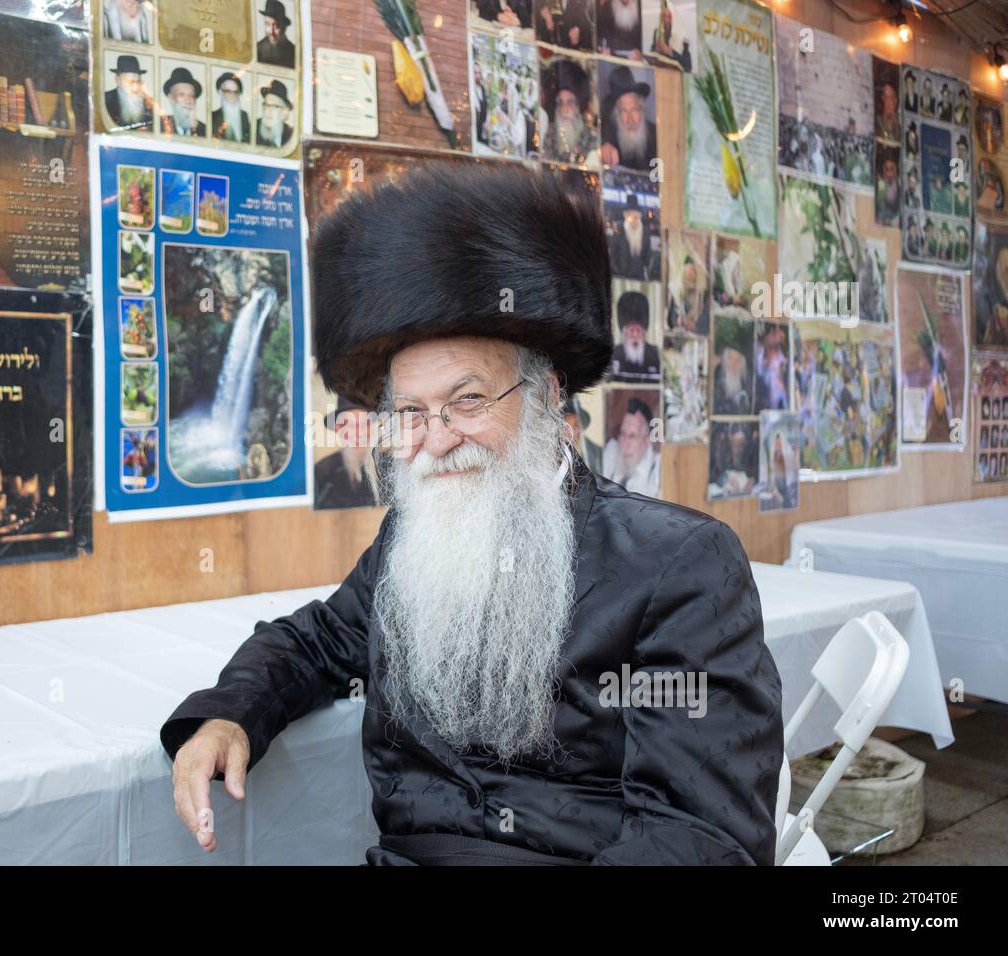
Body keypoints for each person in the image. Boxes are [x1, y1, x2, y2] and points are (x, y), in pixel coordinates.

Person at [161, 162, 782, 865]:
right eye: (412, 414)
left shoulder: (681, 565)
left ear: (546, 397)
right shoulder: (415, 538)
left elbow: (699, 837)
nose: (437, 438)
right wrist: (227, 715)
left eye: (467, 401)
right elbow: (316, 641)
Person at [314, 399, 380, 509]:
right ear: (339, 428)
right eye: (352, 426)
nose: (360, 433)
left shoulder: (387, 467)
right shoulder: (322, 473)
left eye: (365, 424)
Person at [599, 66, 656, 171]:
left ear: (641, 109)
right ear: (617, 114)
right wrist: (604, 144)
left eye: (634, 110)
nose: (630, 120)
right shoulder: (610, 133)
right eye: (624, 111)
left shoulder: (656, 136)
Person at [600, 397, 659, 496]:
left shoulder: (657, 470)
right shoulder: (611, 452)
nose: (625, 444)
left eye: (632, 436)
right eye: (623, 434)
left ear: (647, 441)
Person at [543, 60, 597, 166]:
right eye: (560, 102)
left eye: (570, 102)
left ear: (578, 106)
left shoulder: (592, 139)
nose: (564, 110)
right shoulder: (550, 132)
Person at [609, 290, 660, 381]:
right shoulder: (614, 354)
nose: (635, 334)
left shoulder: (655, 354)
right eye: (632, 330)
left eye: (638, 330)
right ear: (625, 333)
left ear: (643, 333)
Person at [608, 194, 657, 279]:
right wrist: (617, 273)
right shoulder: (619, 230)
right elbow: (613, 255)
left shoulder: (645, 232)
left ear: (639, 216)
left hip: (639, 276)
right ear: (626, 216)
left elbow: (647, 256)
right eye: (630, 216)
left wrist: (646, 271)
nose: (633, 219)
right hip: (621, 276)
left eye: (636, 217)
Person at [104, 56, 154, 131]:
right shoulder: (104, 101)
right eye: (130, 82)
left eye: (138, 81)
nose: (135, 87)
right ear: (118, 80)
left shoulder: (148, 104)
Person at [160, 67, 206, 137]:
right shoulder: (158, 127)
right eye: (181, 94)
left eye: (192, 95)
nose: (188, 100)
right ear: (170, 98)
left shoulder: (205, 132)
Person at [211, 72, 251, 143]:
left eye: (235, 92)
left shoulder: (244, 116)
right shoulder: (213, 116)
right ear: (220, 92)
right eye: (228, 91)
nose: (232, 95)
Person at [255, 79, 294, 148]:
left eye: (275, 106)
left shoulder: (292, 135)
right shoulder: (253, 128)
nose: (268, 110)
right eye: (266, 105)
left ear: (284, 112)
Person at [256, 0, 296, 68]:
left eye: (276, 26)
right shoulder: (257, 49)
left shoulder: (293, 52)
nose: (271, 32)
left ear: (284, 27)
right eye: (267, 24)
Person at [876, 154, 901, 226]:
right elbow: (880, 206)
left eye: (892, 168)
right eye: (886, 169)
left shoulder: (899, 185)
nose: (889, 172)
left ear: (895, 170)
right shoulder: (881, 184)